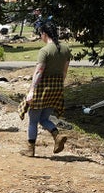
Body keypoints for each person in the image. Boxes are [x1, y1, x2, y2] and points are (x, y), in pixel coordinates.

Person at [22, 20, 71, 157]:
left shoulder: (44, 51)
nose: (40, 37)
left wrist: (32, 90)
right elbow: (64, 72)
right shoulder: (66, 49)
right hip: (56, 88)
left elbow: (39, 72)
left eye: (40, 34)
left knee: (33, 119)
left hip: (42, 88)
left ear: (44, 33)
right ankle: (57, 136)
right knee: (44, 118)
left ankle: (30, 150)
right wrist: (58, 88)